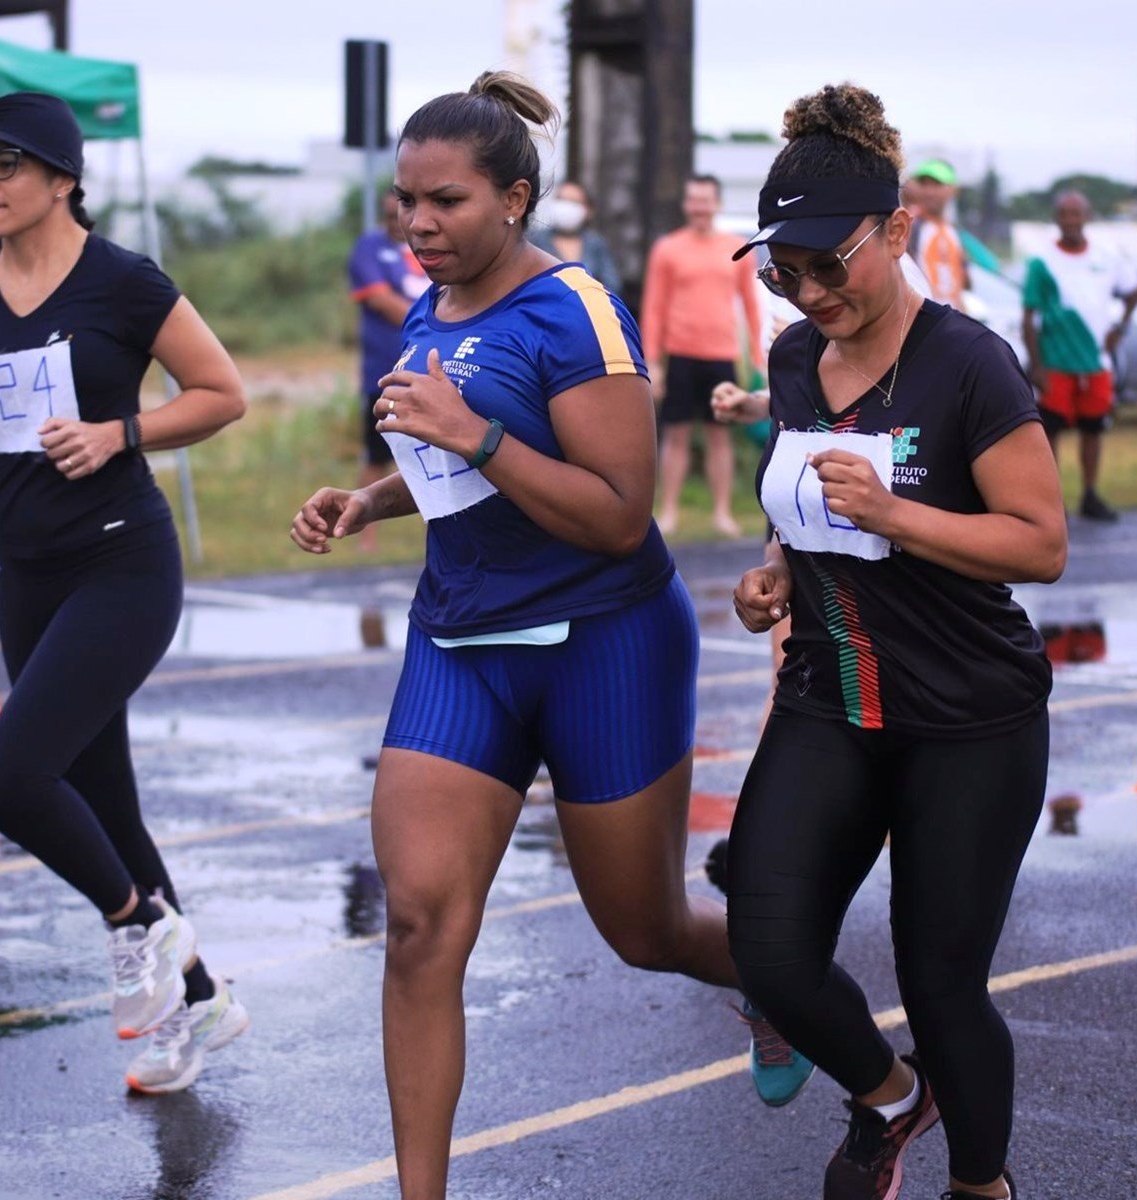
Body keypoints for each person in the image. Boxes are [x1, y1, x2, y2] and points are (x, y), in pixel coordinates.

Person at [289, 71, 809, 1200]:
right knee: (421, 925)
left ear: (514, 199)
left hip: (602, 640)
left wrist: (470, 436)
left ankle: (777, 983)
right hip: (460, 642)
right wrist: (369, 499)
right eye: (404, 205)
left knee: (646, 930)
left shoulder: (571, 307)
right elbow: (452, 461)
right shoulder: (429, 307)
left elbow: (619, 511)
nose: (419, 226)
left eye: (446, 203)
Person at [723, 83, 1067, 1200]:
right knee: (766, 948)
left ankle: (980, 1184)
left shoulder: (968, 365)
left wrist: (894, 515)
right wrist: (778, 570)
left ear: (896, 233)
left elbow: (1039, 543)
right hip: (830, 695)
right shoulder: (787, 361)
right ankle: (888, 1098)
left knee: (940, 984)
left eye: (832, 265)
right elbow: (800, 504)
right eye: (786, 271)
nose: (811, 291)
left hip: (967, 717)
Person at [0, 91, 249, 1093]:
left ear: (61, 180)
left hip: (123, 563)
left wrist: (117, 433)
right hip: (29, 573)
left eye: (4, 167)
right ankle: (200, 1001)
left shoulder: (121, 282)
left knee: (8, 778)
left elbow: (222, 393)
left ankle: (134, 930)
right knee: (104, 805)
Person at [642, 174, 767, 537]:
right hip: (680, 353)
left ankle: (723, 512)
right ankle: (668, 511)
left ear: (717, 203)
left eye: (705, 200)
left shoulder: (737, 247)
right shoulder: (668, 248)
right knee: (676, 435)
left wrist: (758, 357)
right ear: (686, 204)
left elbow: (752, 306)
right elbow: (654, 308)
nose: (699, 207)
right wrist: (653, 362)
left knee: (719, 436)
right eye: (693, 200)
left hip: (721, 355)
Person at [1021, 190, 1137, 523]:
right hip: (1056, 362)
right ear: (1057, 218)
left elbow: (1134, 290)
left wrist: (1120, 327)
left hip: (1095, 362)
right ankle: (1051, 502)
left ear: (1087, 216)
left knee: (1094, 430)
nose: (1071, 221)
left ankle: (1090, 495)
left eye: (1077, 214)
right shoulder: (1041, 262)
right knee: (1050, 434)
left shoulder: (1106, 256)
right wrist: (1037, 365)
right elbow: (1028, 316)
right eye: (1065, 214)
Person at [349, 188, 431, 551]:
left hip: (438, 372)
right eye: (401, 201)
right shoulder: (369, 249)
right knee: (379, 452)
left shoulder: (433, 249)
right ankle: (364, 534)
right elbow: (381, 300)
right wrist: (437, 325)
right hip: (385, 370)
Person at [528, 178, 621, 293]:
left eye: (573, 202)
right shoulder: (536, 239)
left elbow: (612, 285)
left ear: (588, 210)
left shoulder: (595, 244)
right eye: (561, 199)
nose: (566, 207)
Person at [904, 159, 969, 313]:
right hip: (923, 318)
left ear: (952, 190)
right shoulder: (909, 224)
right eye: (924, 184)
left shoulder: (952, 232)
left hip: (950, 320)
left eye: (936, 184)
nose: (929, 191)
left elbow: (961, 282)